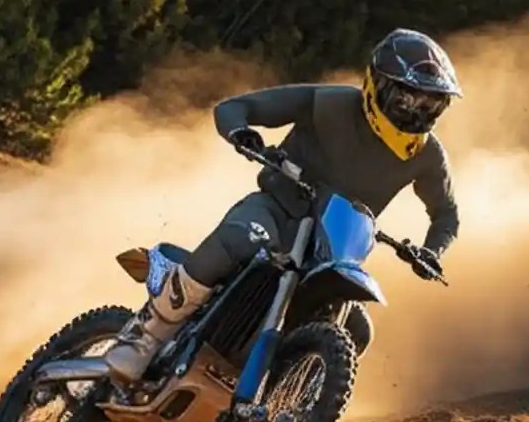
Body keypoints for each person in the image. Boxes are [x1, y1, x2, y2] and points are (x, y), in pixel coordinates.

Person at [104, 27, 463, 384]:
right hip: (277, 209)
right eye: (409, 97)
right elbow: (237, 108)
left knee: (357, 330)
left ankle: (283, 401)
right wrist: (242, 133)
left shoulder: (428, 156)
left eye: (431, 103)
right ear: (378, 85)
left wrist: (432, 251)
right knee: (241, 239)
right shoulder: (331, 103)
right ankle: (144, 335)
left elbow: (446, 214)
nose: (418, 111)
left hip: (333, 249)